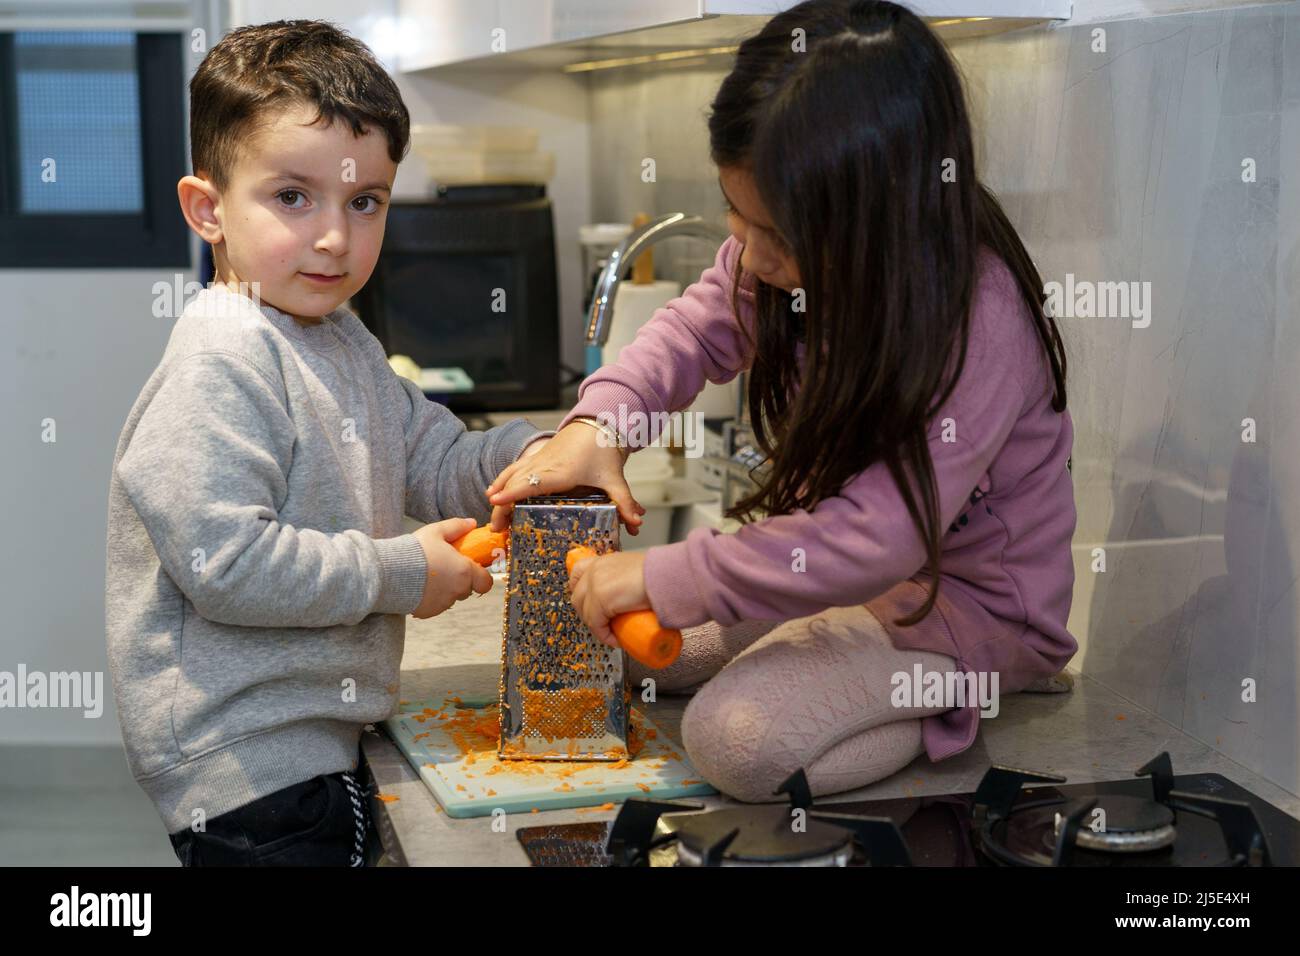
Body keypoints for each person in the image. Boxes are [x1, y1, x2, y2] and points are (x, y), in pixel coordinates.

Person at [486, 0, 1076, 802]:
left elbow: (877, 541)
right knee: (619, 646)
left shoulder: (982, 318)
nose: (752, 257)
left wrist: (670, 573)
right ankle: (834, 651)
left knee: (735, 744)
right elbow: (691, 334)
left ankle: (976, 682)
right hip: (832, 575)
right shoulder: (791, 249)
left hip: (962, 611)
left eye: (783, 236)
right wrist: (601, 422)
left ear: (885, 213)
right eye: (739, 215)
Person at [104, 20, 552, 865]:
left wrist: (532, 457)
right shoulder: (221, 360)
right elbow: (228, 567)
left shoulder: (339, 340)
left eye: (365, 202)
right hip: (249, 771)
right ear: (208, 209)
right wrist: (404, 573)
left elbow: (434, 458)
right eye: (292, 197)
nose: (335, 238)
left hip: (310, 746)